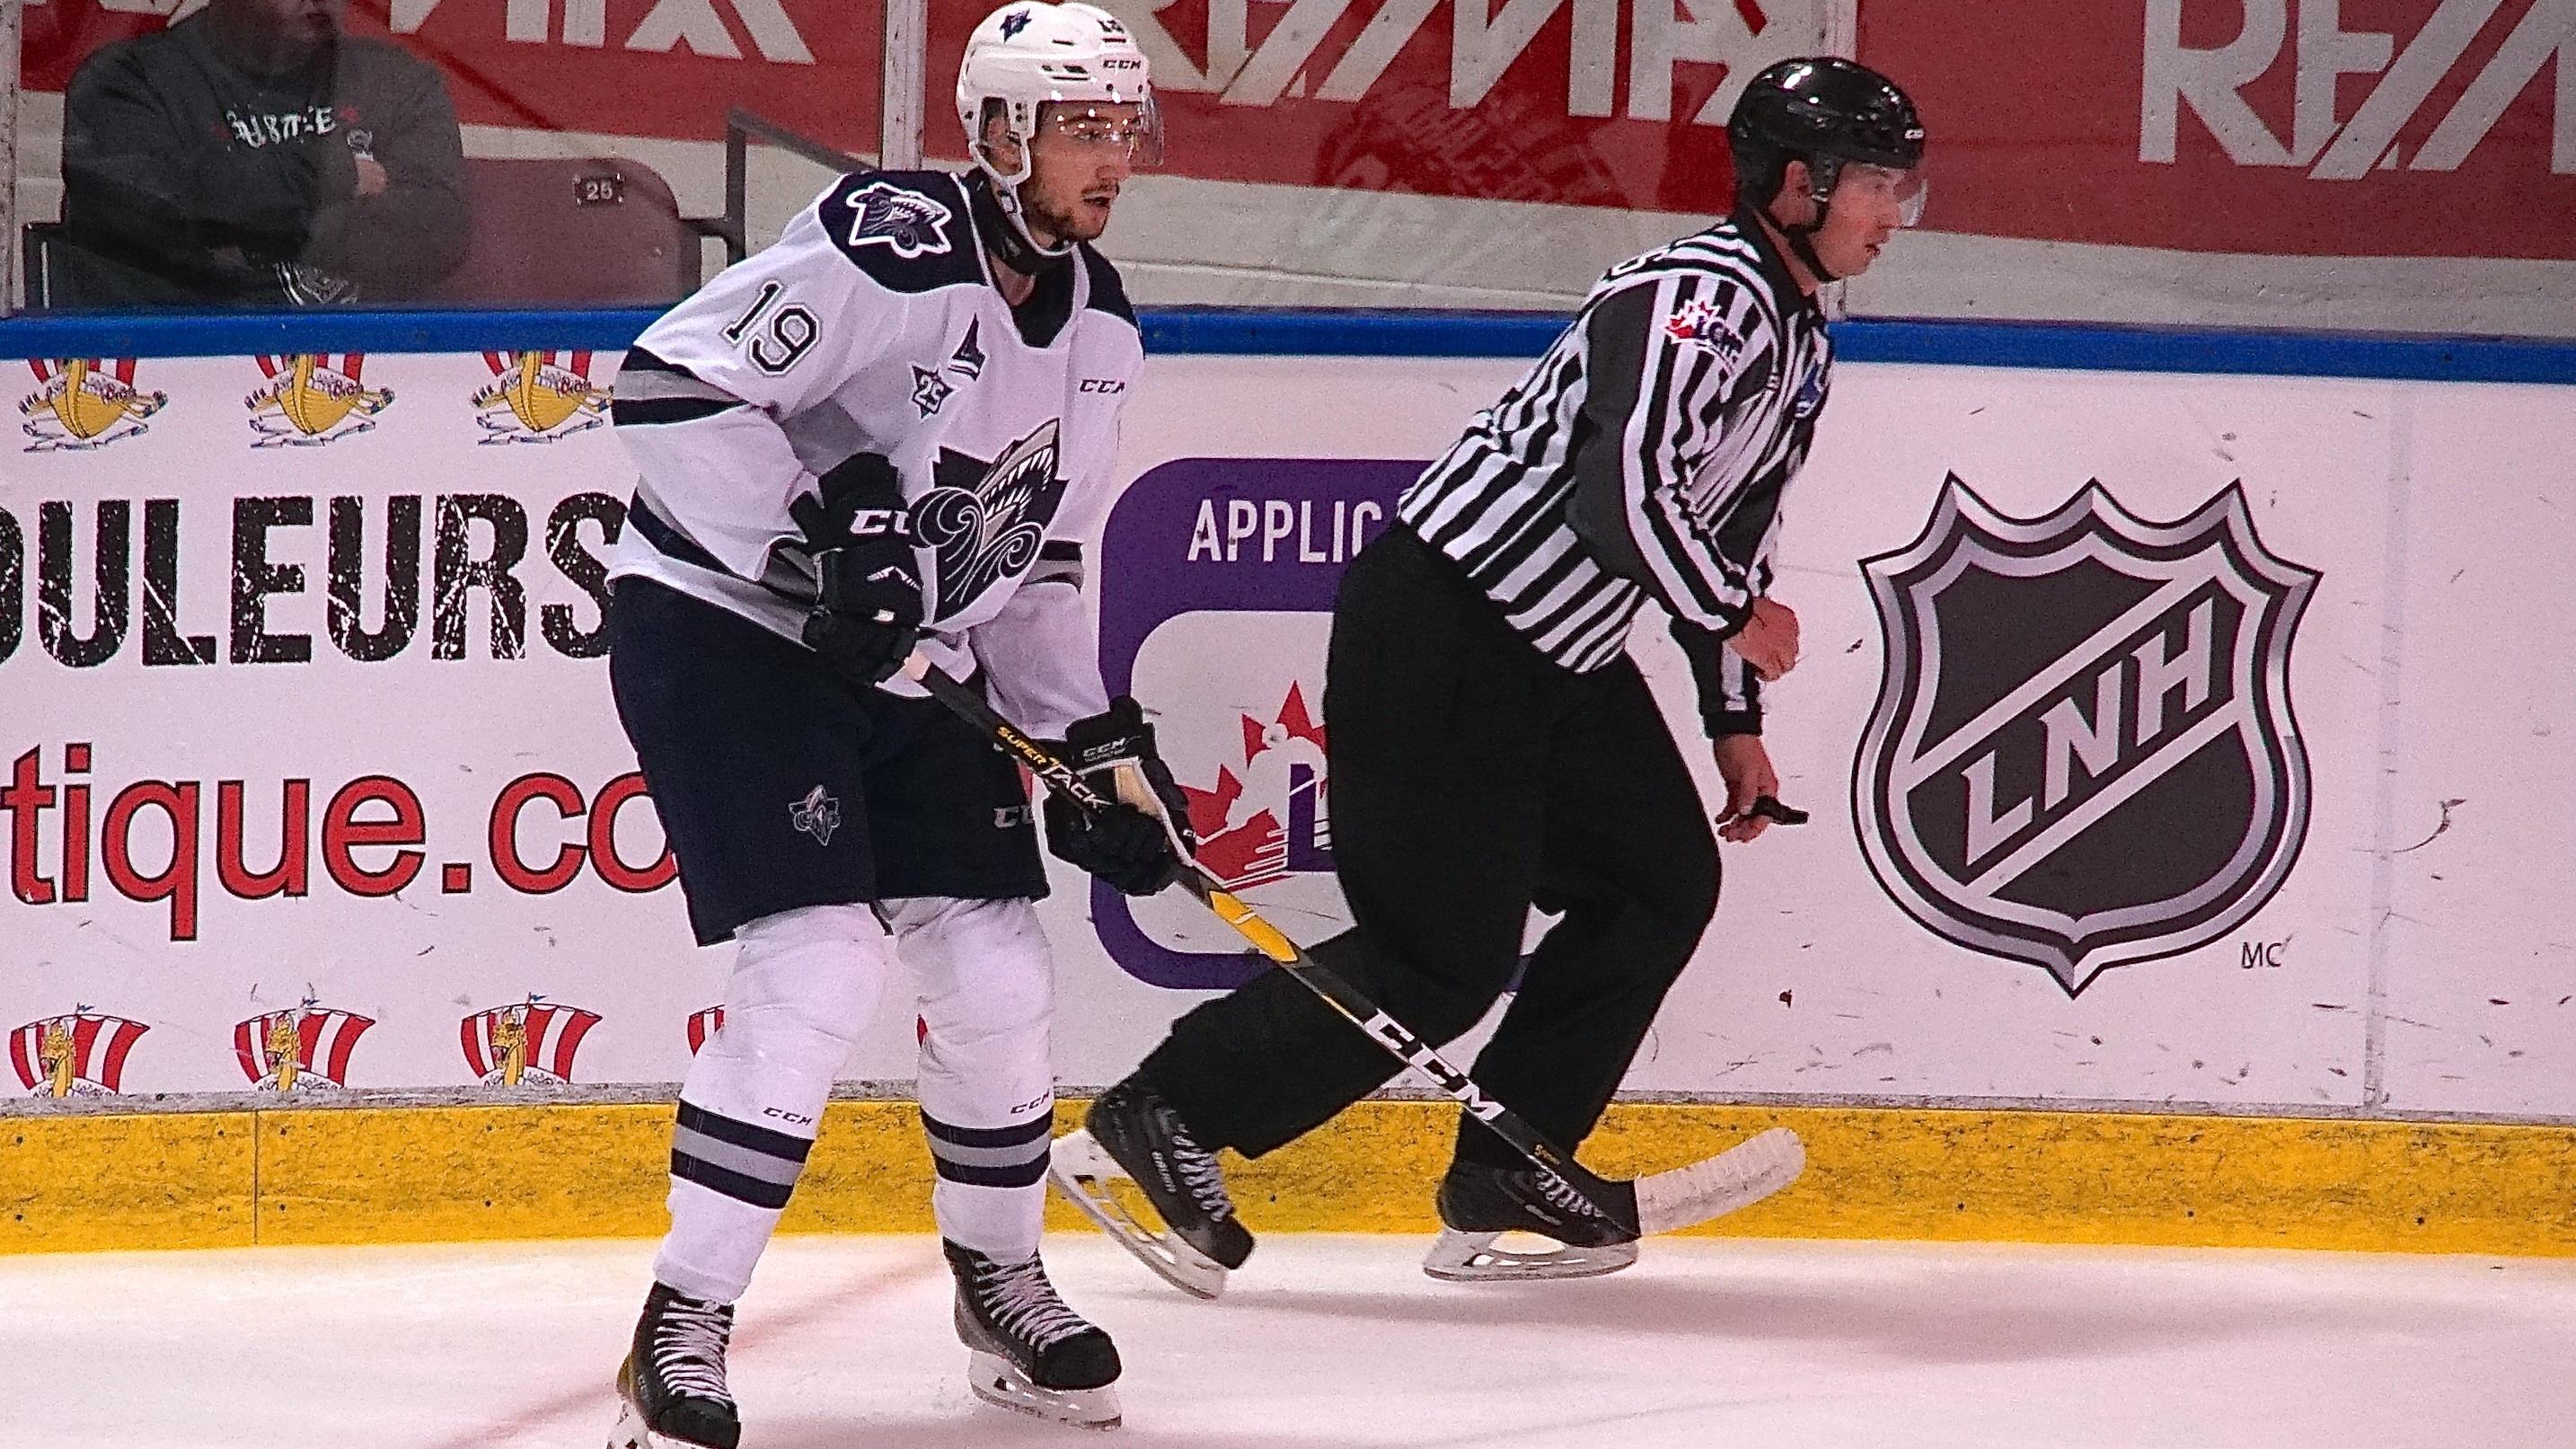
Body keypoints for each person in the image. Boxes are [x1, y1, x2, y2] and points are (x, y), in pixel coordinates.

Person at [1053, 57, 1927, 1289]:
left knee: (1658, 881)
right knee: (1439, 961)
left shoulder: (1795, 337)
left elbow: (1729, 523)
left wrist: (1733, 716)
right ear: (1800, 183)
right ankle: (1165, 1112)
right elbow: (1624, 492)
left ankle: (1508, 1164)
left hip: (1556, 655)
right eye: (1879, 187)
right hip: (1451, 630)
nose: (1895, 216)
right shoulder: (1698, 295)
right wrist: (1733, 616)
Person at [599, 4, 1178, 1444]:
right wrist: (815, 540)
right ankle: (682, 1320)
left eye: (1126, 128)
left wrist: (1097, 748)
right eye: (1081, 128)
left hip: (906, 660)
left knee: (994, 972)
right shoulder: (891, 243)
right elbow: (667, 385)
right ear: (998, 132)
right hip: (727, 630)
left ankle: (1000, 1282)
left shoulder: (1102, 328)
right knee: (817, 965)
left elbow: (1034, 566)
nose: (1112, 157)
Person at [56, 0, 467, 307]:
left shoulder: (399, 81)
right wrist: (339, 176)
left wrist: (244, 222)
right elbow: (152, 214)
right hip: (186, 369)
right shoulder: (127, 81)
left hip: (367, 362)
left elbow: (439, 233)